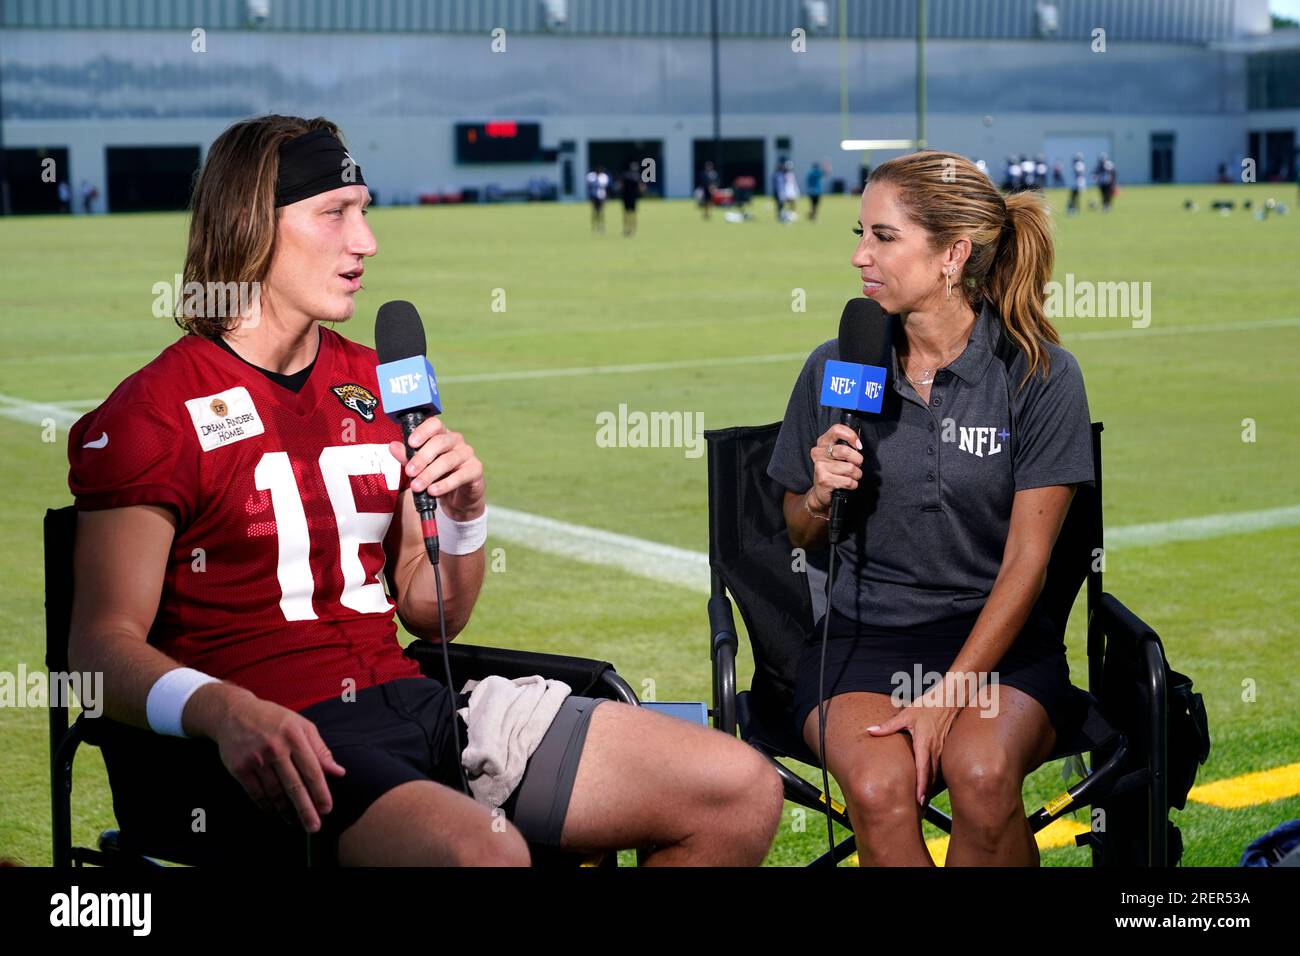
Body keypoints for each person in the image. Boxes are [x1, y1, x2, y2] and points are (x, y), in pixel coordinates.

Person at [66, 114, 784, 867]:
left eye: (365, 211)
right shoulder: (152, 414)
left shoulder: (379, 382)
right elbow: (98, 645)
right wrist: (221, 709)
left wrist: (466, 517)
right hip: (273, 745)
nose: (366, 241)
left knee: (739, 788)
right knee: (487, 856)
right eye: (335, 214)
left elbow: (430, 612)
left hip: (417, 704)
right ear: (252, 226)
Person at [767, 149, 1094, 866]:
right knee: (881, 790)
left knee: (981, 774)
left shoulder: (1039, 374)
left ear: (953, 254)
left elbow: (1027, 565)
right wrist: (818, 494)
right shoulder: (836, 365)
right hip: (864, 637)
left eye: (883, 237)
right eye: (860, 233)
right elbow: (797, 530)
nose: (859, 256)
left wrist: (949, 694)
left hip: (1000, 646)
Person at [619, 160, 643, 237]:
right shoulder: (637, 176)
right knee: (633, 214)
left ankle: (626, 229)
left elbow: (621, 186)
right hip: (633, 198)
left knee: (626, 214)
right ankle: (633, 229)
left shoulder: (625, 175)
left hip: (625, 197)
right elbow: (641, 188)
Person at [585, 165, 609, 233]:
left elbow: (605, 188)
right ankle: (594, 226)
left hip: (601, 196)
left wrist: (606, 198)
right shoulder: (591, 176)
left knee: (601, 212)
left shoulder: (604, 177)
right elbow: (589, 187)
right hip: (594, 196)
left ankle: (601, 225)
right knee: (594, 212)